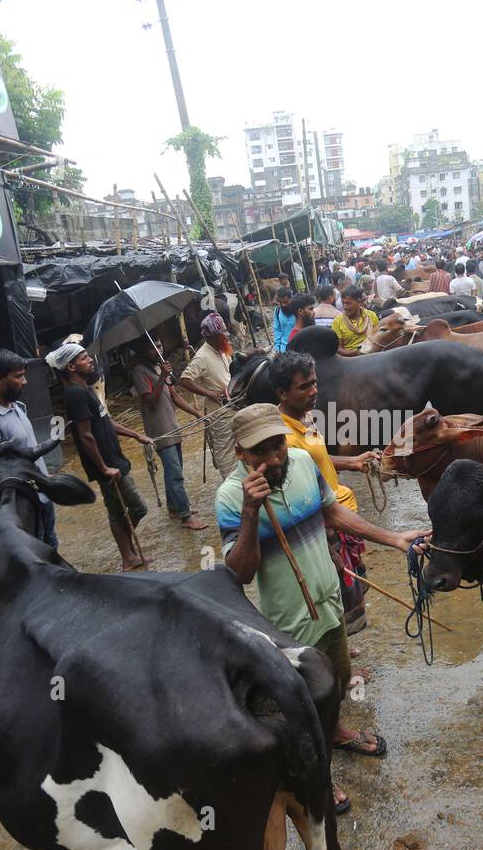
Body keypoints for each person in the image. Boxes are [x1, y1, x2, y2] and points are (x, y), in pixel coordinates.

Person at [217, 403, 427, 812]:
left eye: (277, 444)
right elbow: (239, 573)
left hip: (330, 604)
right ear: (241, 453)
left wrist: (395, 538)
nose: (274, 457)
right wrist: (250, 513)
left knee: (339, 678)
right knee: (303, 706)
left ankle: (335, 730)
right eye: (261, 451)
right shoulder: (230, 496)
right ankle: (314, 778)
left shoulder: (301, 461)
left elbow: (333, 512)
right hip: (288, 624)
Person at [273, 351, 381, 637]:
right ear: (282, 393)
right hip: (327, 525)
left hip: (340, 512)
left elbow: (317, 460)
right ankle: (341, 663)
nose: (314, 390)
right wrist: (326, 540)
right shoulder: (282, 439)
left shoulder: (304, 417)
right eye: (305, 386)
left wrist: (353, 463)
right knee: (337, 598)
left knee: (351, 590)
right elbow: (296, 496)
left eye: (314, 382)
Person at [49, 342, 152, 570]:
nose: (91, 360)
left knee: (117, 510)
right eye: (84, 358)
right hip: (107, 463)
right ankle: (128, 554)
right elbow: (85, 436)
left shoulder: (86, 389)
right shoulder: (75, 394)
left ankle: (129, 557)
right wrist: (104, 468)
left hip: (112, 459)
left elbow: (105, 420)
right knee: (136, 508)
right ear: (71, 367)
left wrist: (135, 435)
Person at [0, 348, 58, 549]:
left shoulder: (14, 404)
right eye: (18, 376)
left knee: (51, 551)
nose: (25, 381)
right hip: (24, 509)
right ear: (0, 379)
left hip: (42, 498)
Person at [132, 336, 207, 530]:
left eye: (159, 345)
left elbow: (174, 396)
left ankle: (174, 507)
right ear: (143, 352)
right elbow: (150, 401)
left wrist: (196, 413)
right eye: (153, 348)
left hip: (172, 425)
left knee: (175, 468)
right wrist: (161, 377)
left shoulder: (159, 367)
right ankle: (185, 515)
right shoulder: (140, 372)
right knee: (175, 474)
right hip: (160, 430)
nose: (158, 349)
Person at [178, 313, 238, 478]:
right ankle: (230, 483)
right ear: (212, 336)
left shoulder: (223, 349)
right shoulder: (202, 357)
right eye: (223, 332)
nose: (227, 334)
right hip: (219, 412)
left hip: (233, 405)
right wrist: (210, 393)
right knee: (225, 450)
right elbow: (184, 379)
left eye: (226, 330)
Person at [333, 285, 379, 357]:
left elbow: (378, 339)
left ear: (359, 302)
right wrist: (358, 352)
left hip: (371, 357)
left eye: (348, 303)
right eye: (343, 303)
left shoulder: (371, 316)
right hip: (350, 361)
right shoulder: (337, 322)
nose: (344, 307)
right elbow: (338, 349)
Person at [272, 285, 294, 352]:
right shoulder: (277, 311)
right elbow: (277, 330)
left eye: (285, 302)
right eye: (280, 303)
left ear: (291, 298)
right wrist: (277, 348)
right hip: (283, 349)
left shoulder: (298, 310)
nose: (283, 305)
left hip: (297, 347)